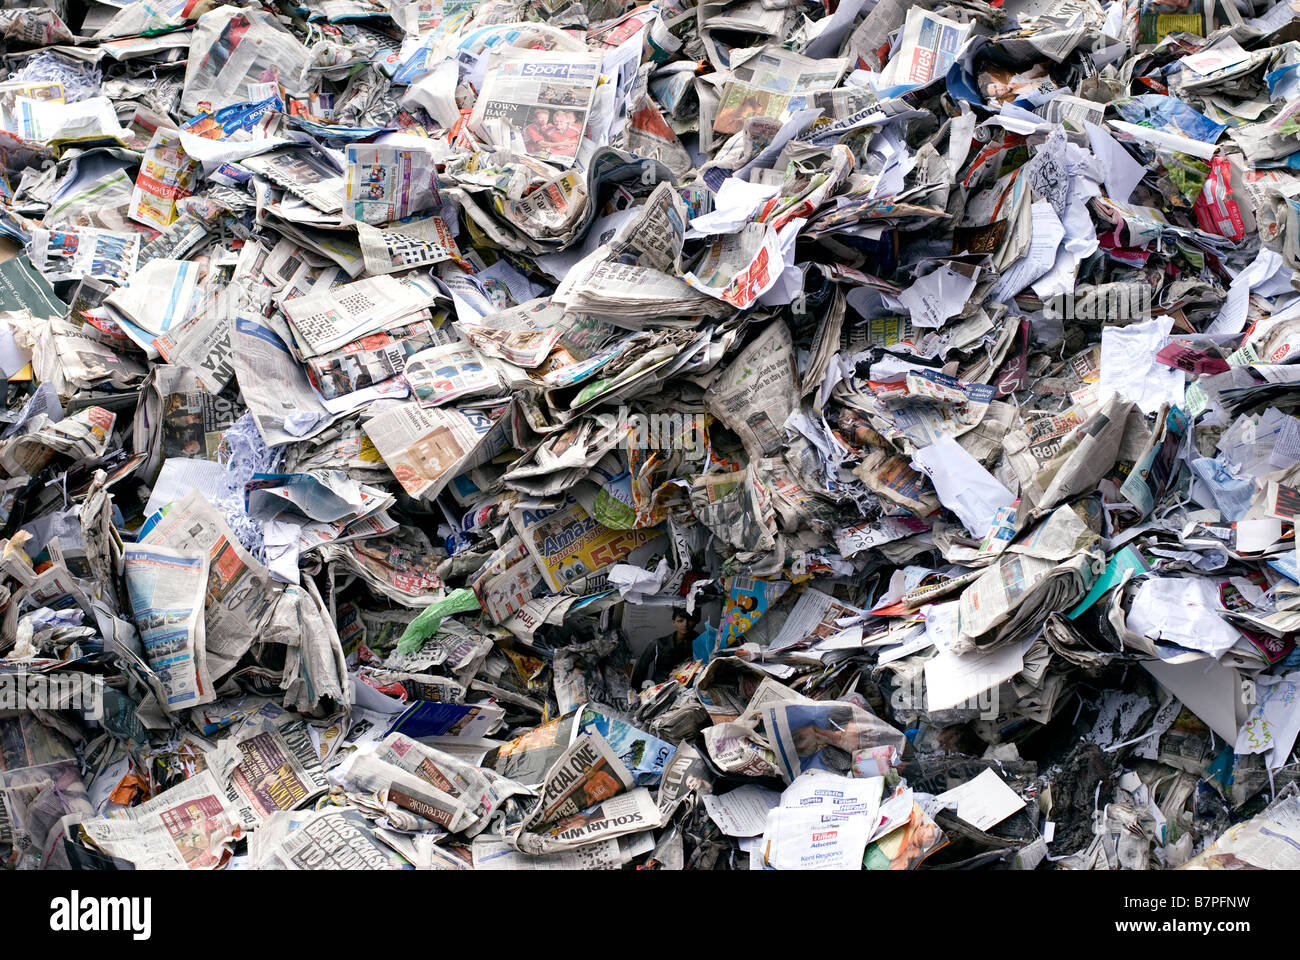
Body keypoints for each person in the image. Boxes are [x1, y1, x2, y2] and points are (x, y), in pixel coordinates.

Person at [631, 606, 700, 689]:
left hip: (686, 689)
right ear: (673, 622)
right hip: (658, 688)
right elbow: (641, 669)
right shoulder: (658, 644)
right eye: (680, 621)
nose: (685, 624)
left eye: (690, 620)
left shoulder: (701, 642)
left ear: (696, 621)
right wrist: (637, 692)